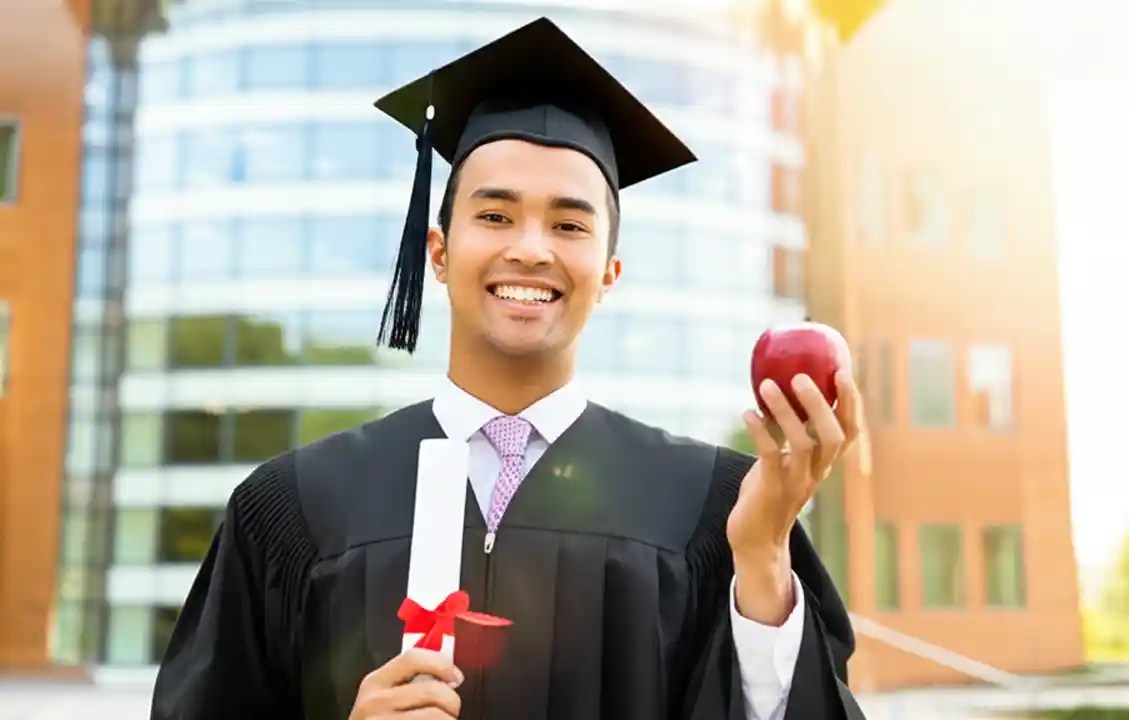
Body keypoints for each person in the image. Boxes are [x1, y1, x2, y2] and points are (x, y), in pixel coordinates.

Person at [151, 17, 867, 720]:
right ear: (437, 250)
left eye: (569, 224)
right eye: (495, 216)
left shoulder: (713, 509)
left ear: (610, 272)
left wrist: (764, 560)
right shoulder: (294, 507)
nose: (530, 249)